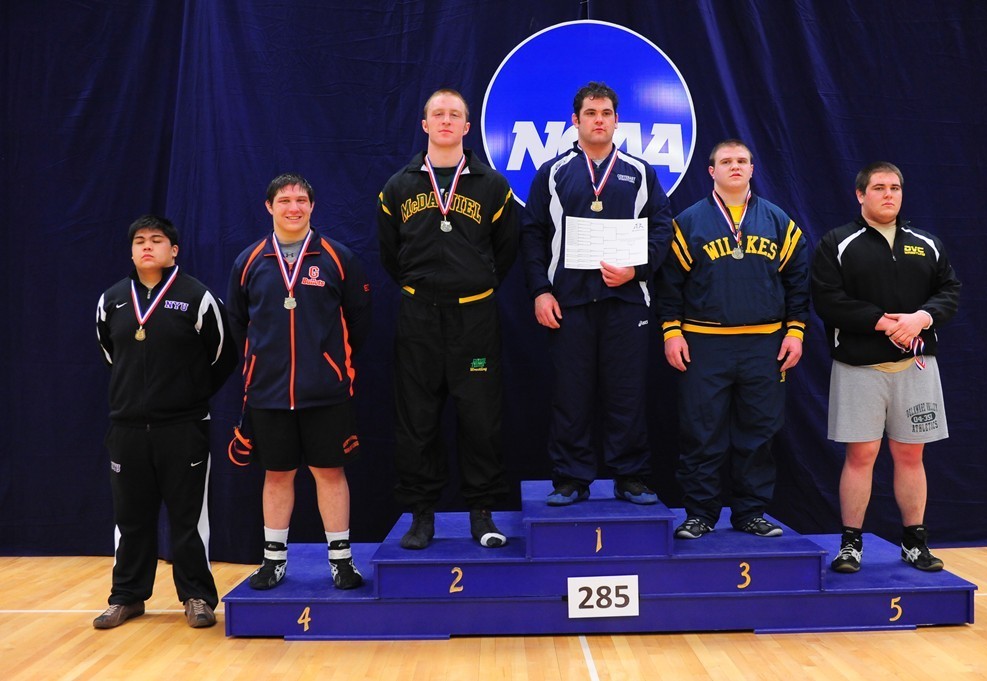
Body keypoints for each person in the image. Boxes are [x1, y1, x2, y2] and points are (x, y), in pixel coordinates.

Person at [377, 88, 518, 550]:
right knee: (417, 418)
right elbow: (389, 255)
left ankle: (482, 511)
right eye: (437, 113)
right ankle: (421, 514)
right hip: (418, 316)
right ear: (424, 124)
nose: (445, 121)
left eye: (454, 114)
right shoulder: (398, 186)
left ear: (466, 126)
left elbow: (506, 250)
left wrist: (471, 281)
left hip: (474, 317)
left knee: (481, 417)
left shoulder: (491, 185)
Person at [521, 81, 673, 506]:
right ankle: (571, 477)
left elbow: (662, 228)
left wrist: (636, 269)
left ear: (616, 120)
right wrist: (540, 291)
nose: (599, 120)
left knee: (627, 393)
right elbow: (533, 234)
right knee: (571, 394)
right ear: (576, 120)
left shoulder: (640, 172)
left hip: (627, 301)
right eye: (591, 113)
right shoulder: (553, 172)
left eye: (606, 113)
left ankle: (631, 477)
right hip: (568, 300)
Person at [655, 139, 809, 539]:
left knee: (758, 434)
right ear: (711, 171)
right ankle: (700, 514)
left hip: (765, 344)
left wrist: (795, 331)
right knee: (701, 433)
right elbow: (669, 285)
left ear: (753, 169)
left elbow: (797, 283)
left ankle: (750, 513)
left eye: (742, 161)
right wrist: (672, 332)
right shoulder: (688, 223)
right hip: (706, 343)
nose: (735, 167)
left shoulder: (779, 222)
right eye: (726, 161)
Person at [811, 162, 961, 573]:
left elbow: (949, 291)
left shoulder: (925, 243)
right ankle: (850, 544)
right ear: (861, 195)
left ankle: (914, 541)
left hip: (915, 365)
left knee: (911, 456)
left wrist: (921, 318)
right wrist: (882, 321)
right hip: (859, 366)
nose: (888, 194)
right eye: (879, 188)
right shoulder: (838, 243)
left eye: (895, 187)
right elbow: (827, 299)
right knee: (861, 455)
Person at [227, 173, 371, 589]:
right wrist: (262, 366)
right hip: (268, 394)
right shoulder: (249, 261)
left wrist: (329, 364)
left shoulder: (337, 257)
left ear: (312, 206)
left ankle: (342, 560)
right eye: (285, 200)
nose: (294, 207)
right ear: (269, 207)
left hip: (326, 392)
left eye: (302, 200)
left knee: (330, 473)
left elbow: (359, 321)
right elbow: (239, 325)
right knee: (277, 474)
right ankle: (273, 560)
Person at [94, 215, 237, 629]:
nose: (147, 247)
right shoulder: (112, 301)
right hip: (127, 429)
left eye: (157, 240)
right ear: (131, 251)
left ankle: (196, 596)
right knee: (130, 517)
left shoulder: (198, 297)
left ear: (174, 250)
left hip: (183, 427)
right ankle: (126, 596)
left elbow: (223, 356)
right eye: (139, 241)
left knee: (187, 518)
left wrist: (186, 394)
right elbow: (110, 354)